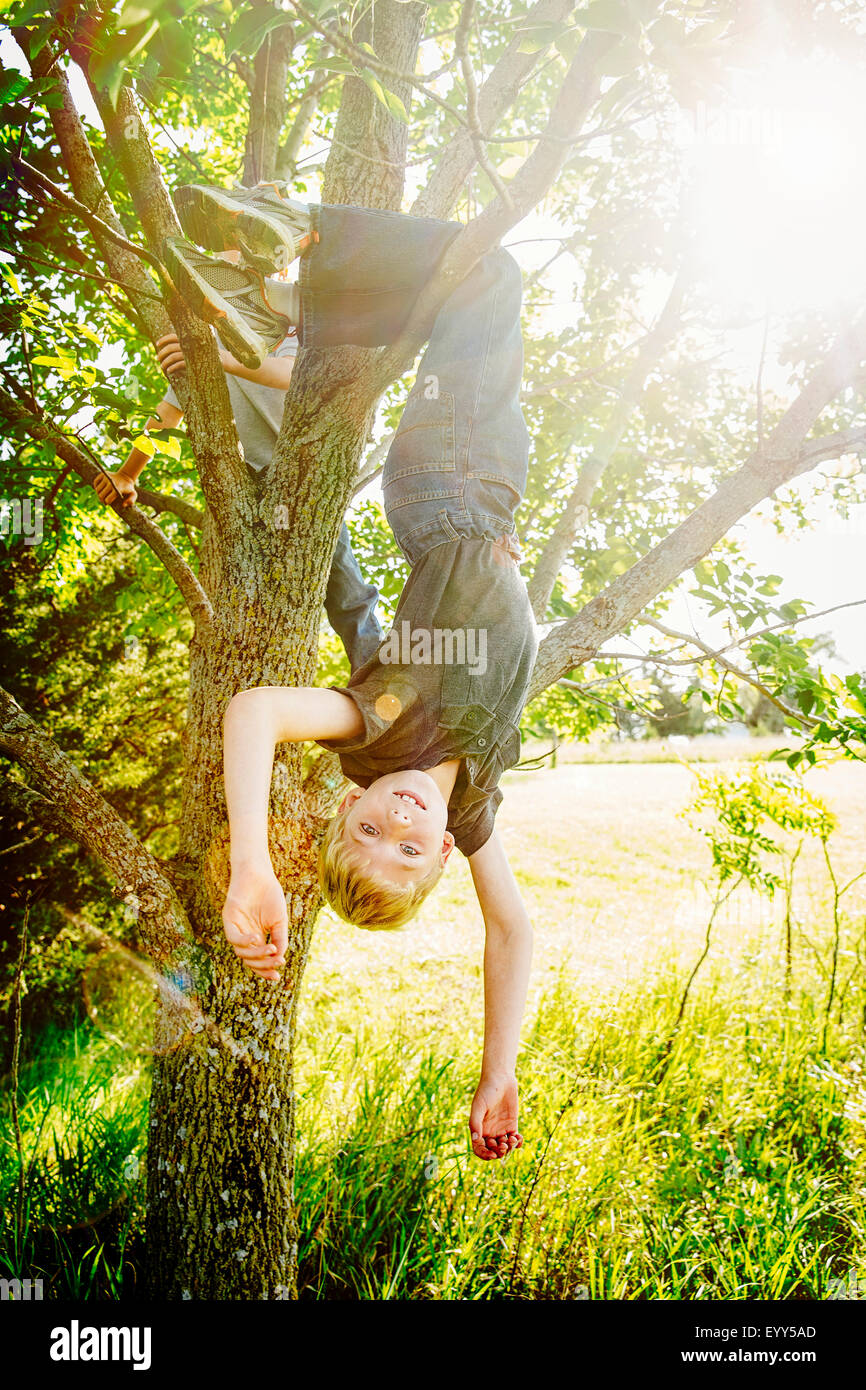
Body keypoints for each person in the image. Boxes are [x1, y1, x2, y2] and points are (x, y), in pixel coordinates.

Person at [166, 186, 537, 1160]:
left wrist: (253, 860)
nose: (400, 821)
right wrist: (496, 1070)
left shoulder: (372, 733)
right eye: (406, 848)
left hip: (452, 486)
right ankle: (265, 323)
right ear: (443, 859)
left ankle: (296, 236)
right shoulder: (472, 804)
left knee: (484, 276)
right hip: (478, 487)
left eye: (368, 828)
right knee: (442, 306)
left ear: (344, 807)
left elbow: (251, 712)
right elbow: (510, 932)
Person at [91, 275, 382, 673]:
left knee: (348, 592)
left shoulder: (302, 336)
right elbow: (165, 417)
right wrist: (128, 473)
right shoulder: (209, 351)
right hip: (251, 481)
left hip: (309, 477)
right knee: (260, 589)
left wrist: (221, 357)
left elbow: (293, 374)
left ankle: (377, 677)